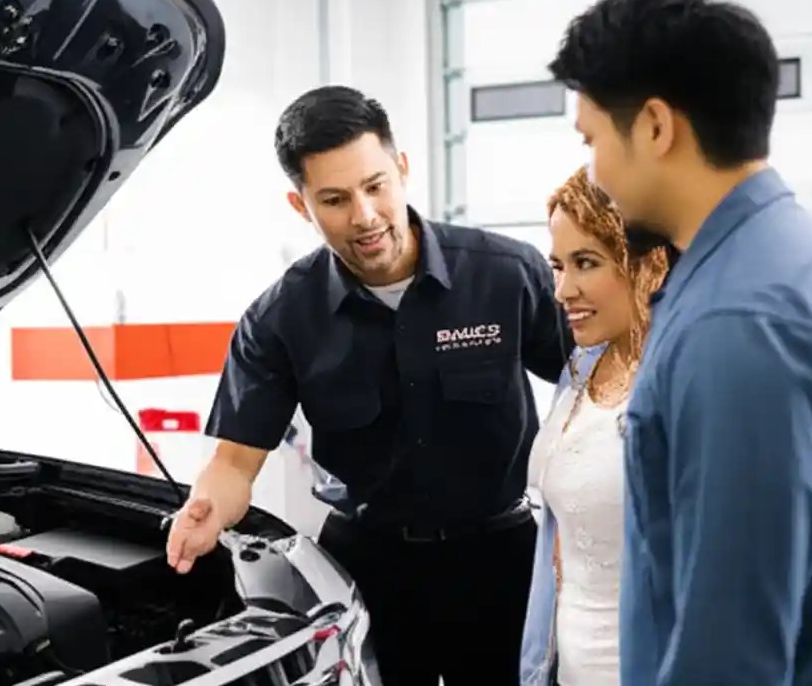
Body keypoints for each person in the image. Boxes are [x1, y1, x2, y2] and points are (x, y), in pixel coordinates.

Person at [548, 0, 812, 686]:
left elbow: (732, 648)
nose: (597, 174)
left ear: (654, 125)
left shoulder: (742, 322)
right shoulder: (773, 264)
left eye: (593, 141)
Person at [164, 84, 572, 685]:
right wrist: (206, 509)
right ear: (300, 204)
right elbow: (233, 462)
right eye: (333, 198)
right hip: (367, 568)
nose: (364, 215)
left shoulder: (507, 275)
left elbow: (596, 385)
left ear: (401, 168)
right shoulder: (282, 317)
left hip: (500, 558)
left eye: (375, 185)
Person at [519, 167, 669, 686]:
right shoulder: (581, 367)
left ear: (646, 261)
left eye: (586, 262)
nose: (562, 290)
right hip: (565, 663)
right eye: (557, 265)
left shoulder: (682, 384)